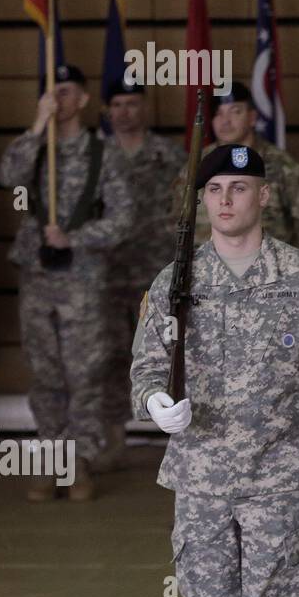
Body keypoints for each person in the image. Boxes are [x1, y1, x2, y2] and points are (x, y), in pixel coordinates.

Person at [130, 144, 299, 597]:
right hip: (201, 482)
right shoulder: (175, 282)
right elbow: (146, 367)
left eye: (239, 187)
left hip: (281, 482)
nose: (225, 200)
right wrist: (153, 401)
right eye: (214, 189)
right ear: (202, 199)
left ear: (264, 195)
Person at [0, 65, 135, 501]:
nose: (58, 99)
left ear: (82, 100)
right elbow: (8, 176)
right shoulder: (36, 150)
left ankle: (77, 463)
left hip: (83, 278)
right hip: (38, 275)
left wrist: (75, 237)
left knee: (84, 373)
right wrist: (38, 125)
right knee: (44, 372)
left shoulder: (103, 154)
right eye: (50, 92)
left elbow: (123, 219)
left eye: (66, 91)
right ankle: (49, 461)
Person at [95, 79, 185, 473]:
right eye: (117, 104)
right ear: (107, 110)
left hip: (156, 273)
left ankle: (171, 430)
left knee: (165, 355)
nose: (124, 111)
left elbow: (188, 208)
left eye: (132, 103)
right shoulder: (95, 155)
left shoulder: (169, 154)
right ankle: (112, 435)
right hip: (104, 273)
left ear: (145, 108)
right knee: (107, 355)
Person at [167, 84, 299, 255]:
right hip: (207, 273)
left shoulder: (283, 166)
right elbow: (177, 221)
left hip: (272, 272)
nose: (225, 121)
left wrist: (290, 266)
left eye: (235, 111)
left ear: (252, 117)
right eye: (218, 113)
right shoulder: (196, 165)